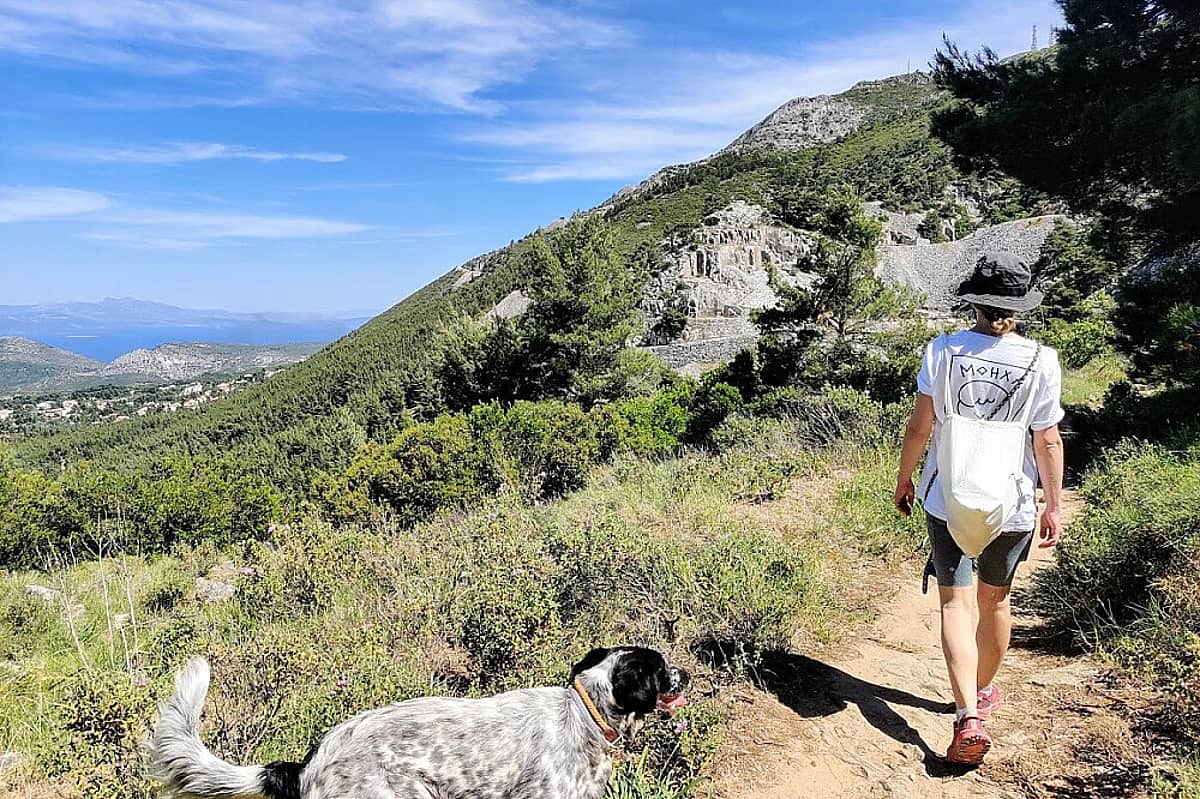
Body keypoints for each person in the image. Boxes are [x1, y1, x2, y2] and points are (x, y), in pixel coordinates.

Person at [894, 252, 1065, 765]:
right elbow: (1048, 441)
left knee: (955, 604)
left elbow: (920, 428)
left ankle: (966, 710)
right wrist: (1051, 504)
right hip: (1010, 503)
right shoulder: (1042, 360)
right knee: (994, 603)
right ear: (1019, 306)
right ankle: (983, 694)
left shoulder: (943, 351)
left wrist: (905, 479)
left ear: (975, 302)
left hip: (949, 497)